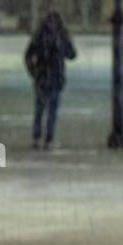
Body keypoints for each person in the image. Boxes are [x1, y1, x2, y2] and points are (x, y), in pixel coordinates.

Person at [24, 10, 76, 151]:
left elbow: (28, 55)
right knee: (52, 110)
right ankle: (48, 139)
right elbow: (72, 54)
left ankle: (36, 138)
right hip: (55, 77)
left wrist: (33, 71)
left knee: (40, 109)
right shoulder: (61, 35)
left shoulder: (39, 35)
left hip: (41, 77)